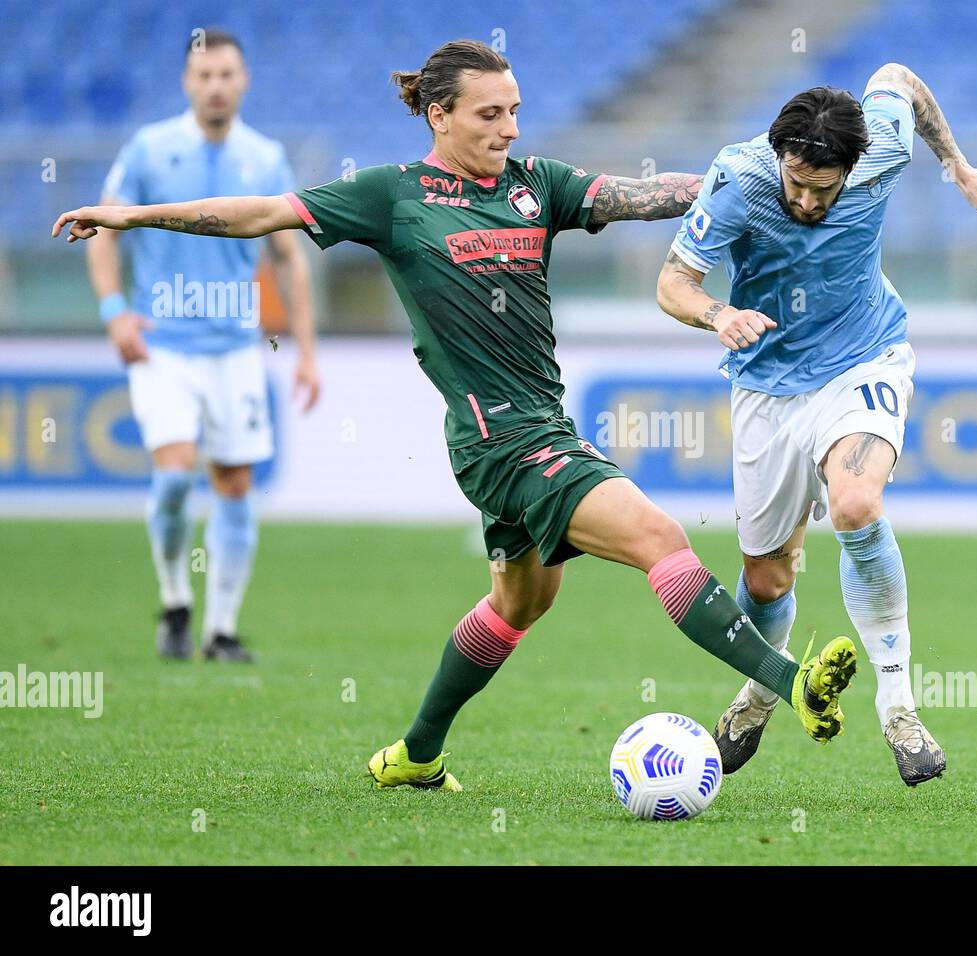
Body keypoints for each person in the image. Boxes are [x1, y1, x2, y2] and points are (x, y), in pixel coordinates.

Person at [55, 40, 858, 791]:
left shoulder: (535, 184)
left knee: (520, 605)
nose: (508, 129)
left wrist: (743, 182)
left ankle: (416, 754)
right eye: (489, 114)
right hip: (498, 439)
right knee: (660, 539)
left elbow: (642, 196)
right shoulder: (392, 197)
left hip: (540, 424)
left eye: (514, 112)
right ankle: (794, 684)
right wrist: (130, 217)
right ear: (439, 114)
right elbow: (259, 214)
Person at [656, 64, 977, 786]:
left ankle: (899, 707)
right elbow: (674, 282)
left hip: (864, 359)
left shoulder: (883, 143)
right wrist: (718, 314)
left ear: (852, 167)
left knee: (857, 503)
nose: (803, 199)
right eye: (794, 182)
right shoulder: (738, 179)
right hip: (766, 382)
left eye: (820, 189)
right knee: (766, 578)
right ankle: (762, 690)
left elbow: (899, 79)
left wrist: (961, 168)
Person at [88, 28, 320, 663]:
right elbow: (105, 234)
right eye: (204, 76)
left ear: (242, 81)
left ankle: (220, 629)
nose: (216, 86)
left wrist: (304, 349)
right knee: (172, 475)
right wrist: (115, 315)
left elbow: (288, 258)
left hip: (236, 349)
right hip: (162, 344)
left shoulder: (266, 157)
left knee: (235, 482)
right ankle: (173, 600)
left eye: (226, 75)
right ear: (187, 84)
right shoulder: (148, 148)